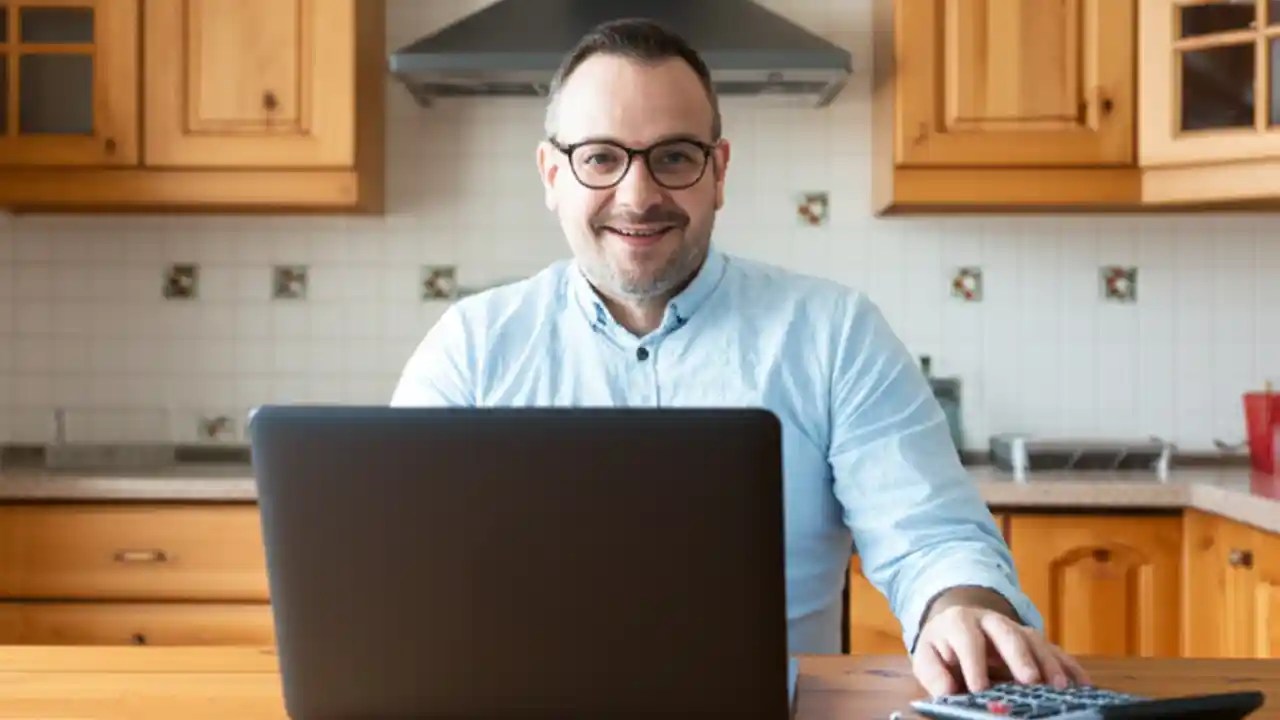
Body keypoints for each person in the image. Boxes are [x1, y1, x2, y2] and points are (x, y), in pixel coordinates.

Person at [391, 18, 1089, 697]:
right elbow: (398, 563)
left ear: (717, 171)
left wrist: (959, 607)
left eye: (673, 156)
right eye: (600, 157)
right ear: (552, 174)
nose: (638, 195)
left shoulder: (833, 333)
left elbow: (932, 538)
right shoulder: (472, 346)